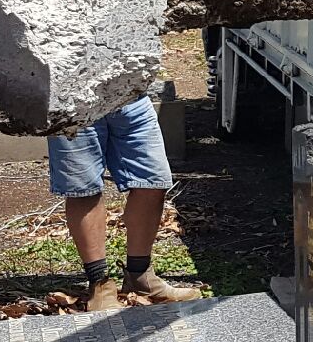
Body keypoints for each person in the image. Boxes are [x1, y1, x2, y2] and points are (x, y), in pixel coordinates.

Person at [48, 95, 202, 312]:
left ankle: (140, 277)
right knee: (83, 190)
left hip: (131, 97)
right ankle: (99, 283)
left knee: (153, 181)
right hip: (72, 101)